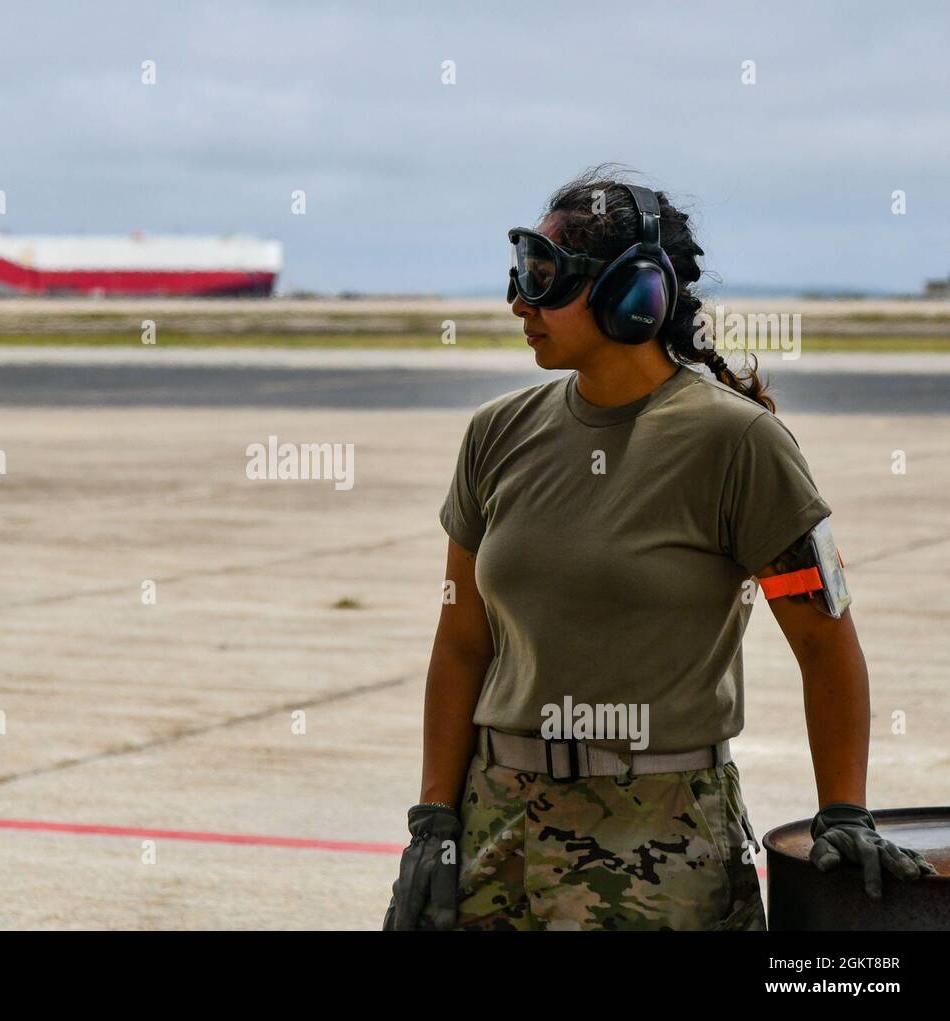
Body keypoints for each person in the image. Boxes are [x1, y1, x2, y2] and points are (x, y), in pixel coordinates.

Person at [383, 167, 936, 931]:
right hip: (496, 834)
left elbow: (824, 640)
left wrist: (843, 810)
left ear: (632, 294)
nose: (518, 302)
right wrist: (434, 823)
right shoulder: (495, 434)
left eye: (543, 279)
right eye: (520, 274)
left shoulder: (738, 442)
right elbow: (460, 642)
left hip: (661, 844)